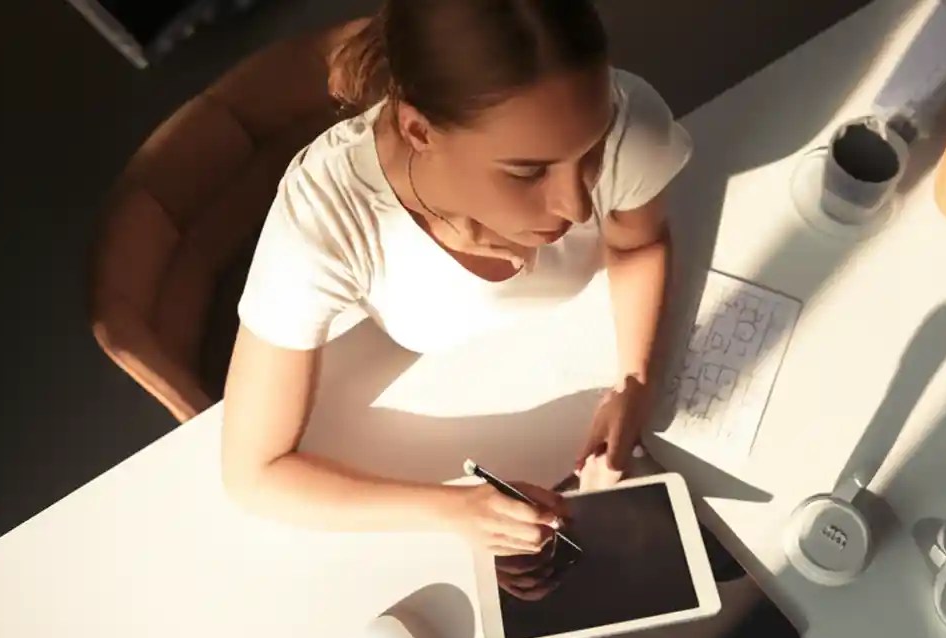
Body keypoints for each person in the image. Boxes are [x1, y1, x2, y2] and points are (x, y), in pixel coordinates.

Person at [222, 0, 691, 560]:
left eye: (591, 152)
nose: (577, 203)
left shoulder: (626, 119)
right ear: (418, 129)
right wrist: (453, 510)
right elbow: (255, 472)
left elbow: (637, 243)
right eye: (527, 171)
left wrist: (635, 381)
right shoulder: (326, 220)